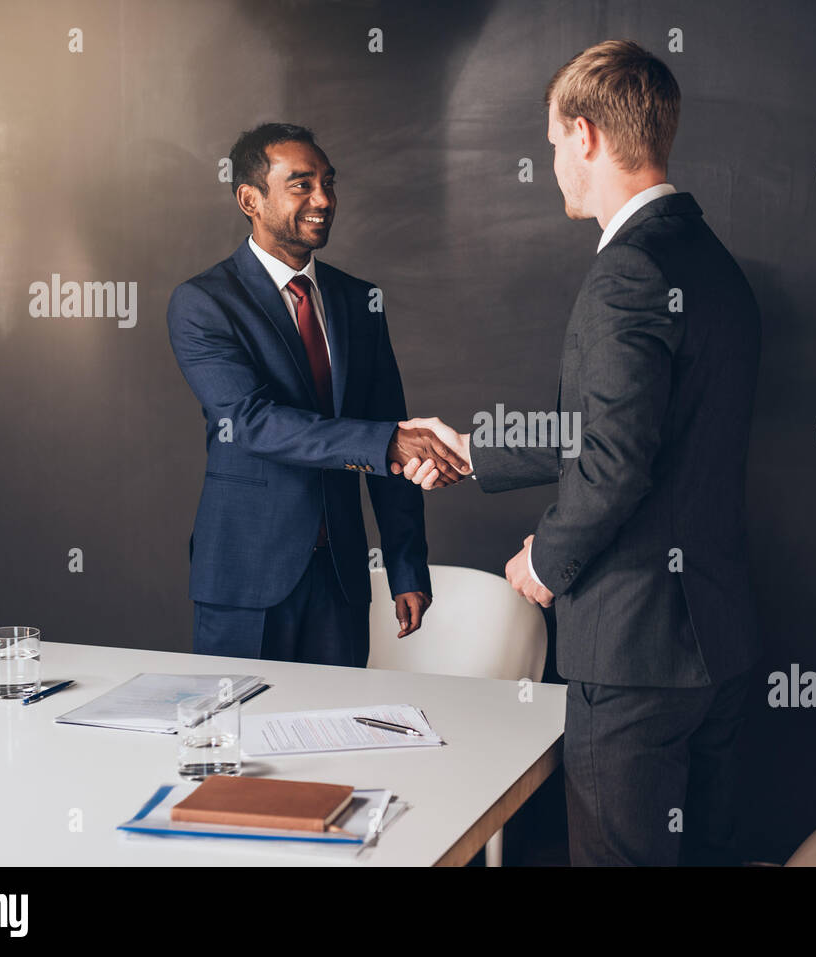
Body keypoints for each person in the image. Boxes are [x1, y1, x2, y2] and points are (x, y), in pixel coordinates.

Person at [398, 41, 763, 865]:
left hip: (636, 656)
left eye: (553, 143)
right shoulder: (710, 263)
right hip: (718, 645)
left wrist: (546, 562)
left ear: (586, 133)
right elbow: (624, 428)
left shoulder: (627, 270)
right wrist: (475, 449)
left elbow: (616, 462)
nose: (552, 160)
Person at [167, 123, 469, 666]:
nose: (324, 200)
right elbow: (252, 422)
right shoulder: (203, 303)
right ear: (249, 199)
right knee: (240, 737)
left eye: (328, 183)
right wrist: (390, 443)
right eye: (301, 184)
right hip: (245, 578)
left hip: (341, 579)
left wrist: (405, 567)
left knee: (337, 739)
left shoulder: (360, 300)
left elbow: (390, 427)